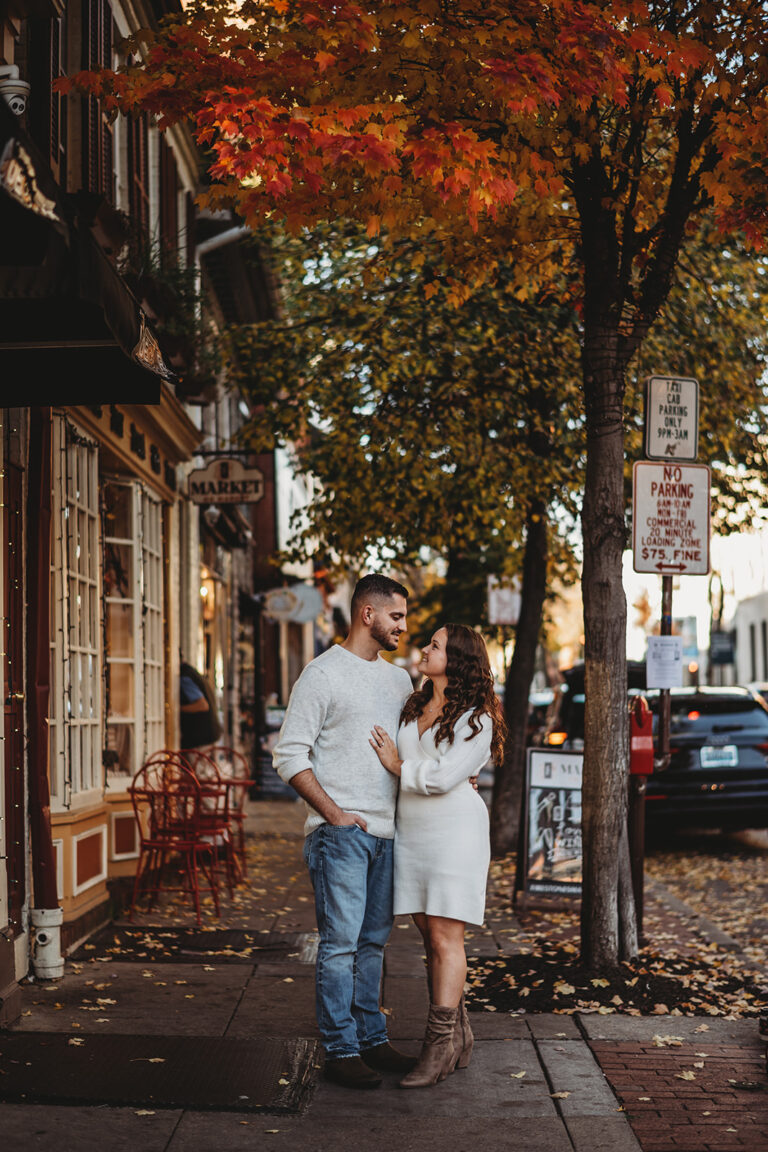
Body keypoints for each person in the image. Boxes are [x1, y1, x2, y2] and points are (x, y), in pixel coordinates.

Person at [273, 574, 416, 1089]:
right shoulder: (322, 674)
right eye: (396, 616)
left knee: (373, 944)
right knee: (340, 946)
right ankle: (341, 1048)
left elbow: (415, 747)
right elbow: (289, 755)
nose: (403, 626)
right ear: (366, 614)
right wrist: (334, 815)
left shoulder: (400, 681)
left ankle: (371, 1039)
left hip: (388, 834)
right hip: (341, 835)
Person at [370, 623, 506, 1089]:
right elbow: (430, 769)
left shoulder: (477, 718)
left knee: (447, 939)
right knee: (429, 938)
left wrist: (398, 765)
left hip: (455, 833)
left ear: (459, 658)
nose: (425, 649)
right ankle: (459, 1035)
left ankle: (437, 1047)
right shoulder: (414, 703)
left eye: (435, 645)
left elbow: (446, 777)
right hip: (412, 832)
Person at [179, 660, 222, 751]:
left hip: (200, 738)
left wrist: (177, 709)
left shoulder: (185, 677)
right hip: (208, 735)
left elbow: (202, 705)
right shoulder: (193, 673)